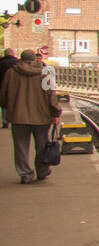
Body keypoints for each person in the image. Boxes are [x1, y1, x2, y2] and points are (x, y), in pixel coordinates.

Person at [1, 50, 62, 183]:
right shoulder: (45, 73)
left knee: (21, 146)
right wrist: (55, 113)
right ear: (35, 59)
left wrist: (9, 108)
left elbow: (3, 94)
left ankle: (25, 174)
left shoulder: (10, 73)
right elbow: (51, 96)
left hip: (18, 116)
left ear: (20, 59)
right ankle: (42, 171)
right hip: (41, 116)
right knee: (42, 145)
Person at [0, 49, 18, 128]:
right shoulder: (18, 63)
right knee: (16, 103)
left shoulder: (1, 62)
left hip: (2, 85)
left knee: (4, 103)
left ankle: (5, 121)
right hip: (16, 86)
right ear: (13, 54)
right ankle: (15, 120)